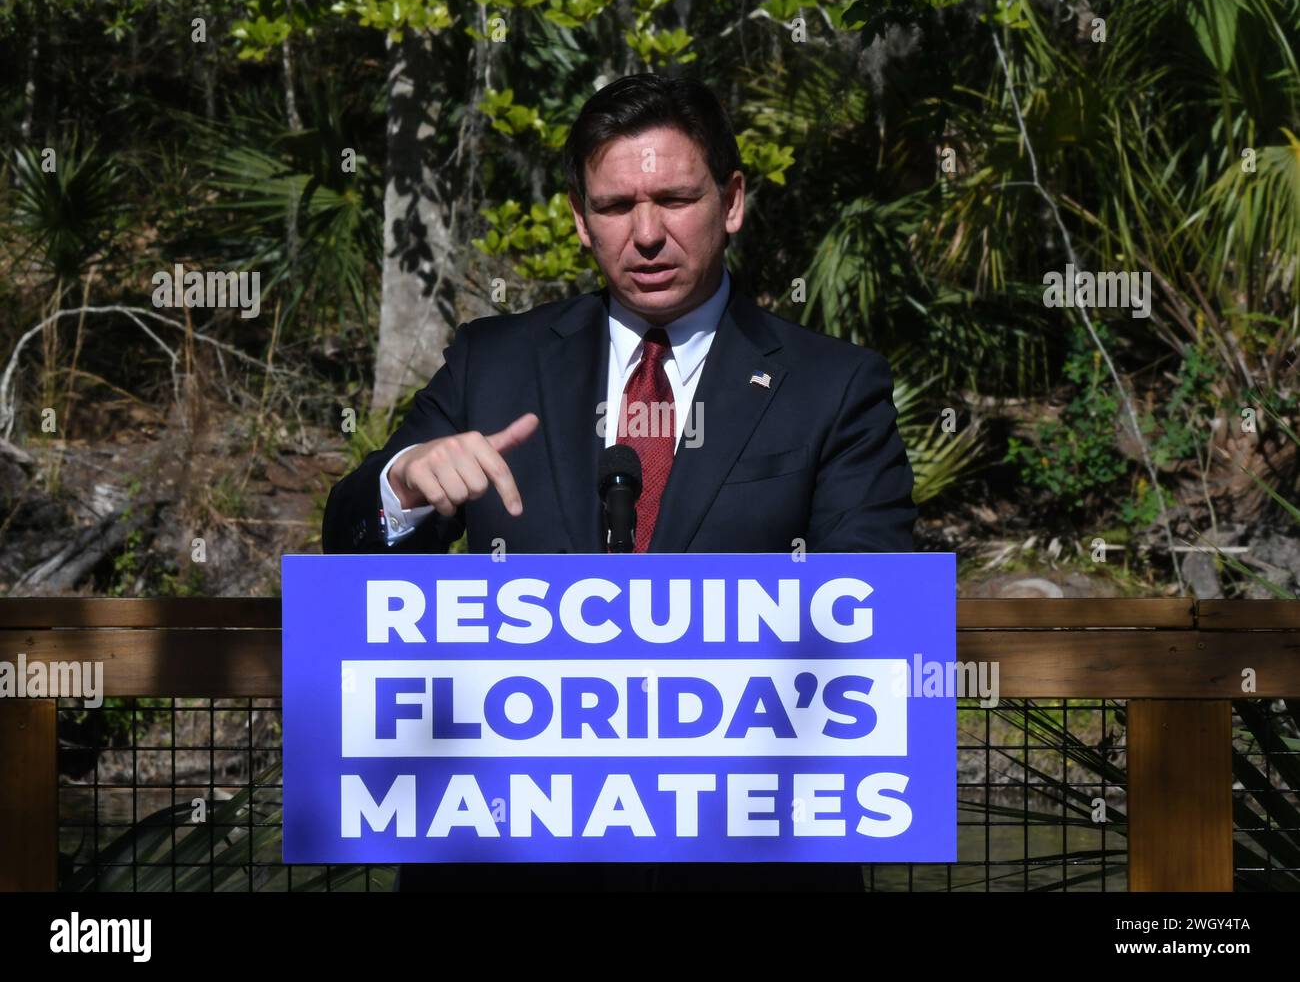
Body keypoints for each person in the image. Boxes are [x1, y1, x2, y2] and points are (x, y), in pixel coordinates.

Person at [321, 72, 918, 892]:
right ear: (579, 219)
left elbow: (871, 618)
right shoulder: (494, 362)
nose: (646, 234)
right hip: (507, 855)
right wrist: (401, 486)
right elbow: (349, 548)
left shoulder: (834, 386)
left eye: (675, 198)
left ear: (732, 201)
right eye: (613, 207)